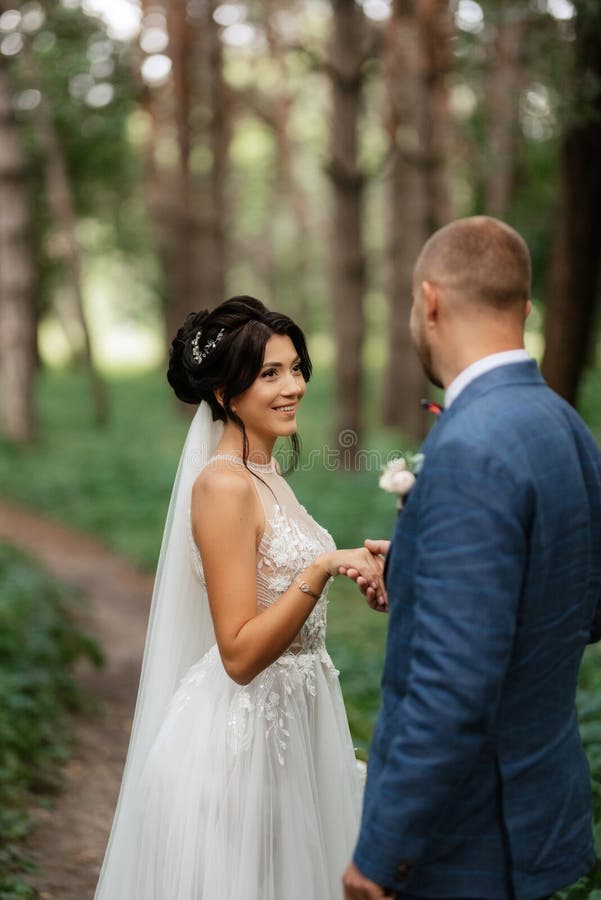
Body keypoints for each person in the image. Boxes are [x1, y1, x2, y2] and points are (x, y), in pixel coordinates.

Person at [342, 217, 601, 900]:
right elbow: (581, 600)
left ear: (429, 301)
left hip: (468, 841)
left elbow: (451, 688)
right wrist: (425, 570)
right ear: (520, 305)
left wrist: (381, 851)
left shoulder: (469, 447)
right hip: (537, 811)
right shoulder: (561, 423)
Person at [94, 296, 385, 900]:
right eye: (270, 374)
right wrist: (325, 565)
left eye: (296, 368)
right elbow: (239, 653)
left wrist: (361, 566)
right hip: (239, 744)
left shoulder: (267, 475)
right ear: (227, 395)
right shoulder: (223, 485)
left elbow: (288, 599)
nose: (294, 386)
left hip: (297, 726)